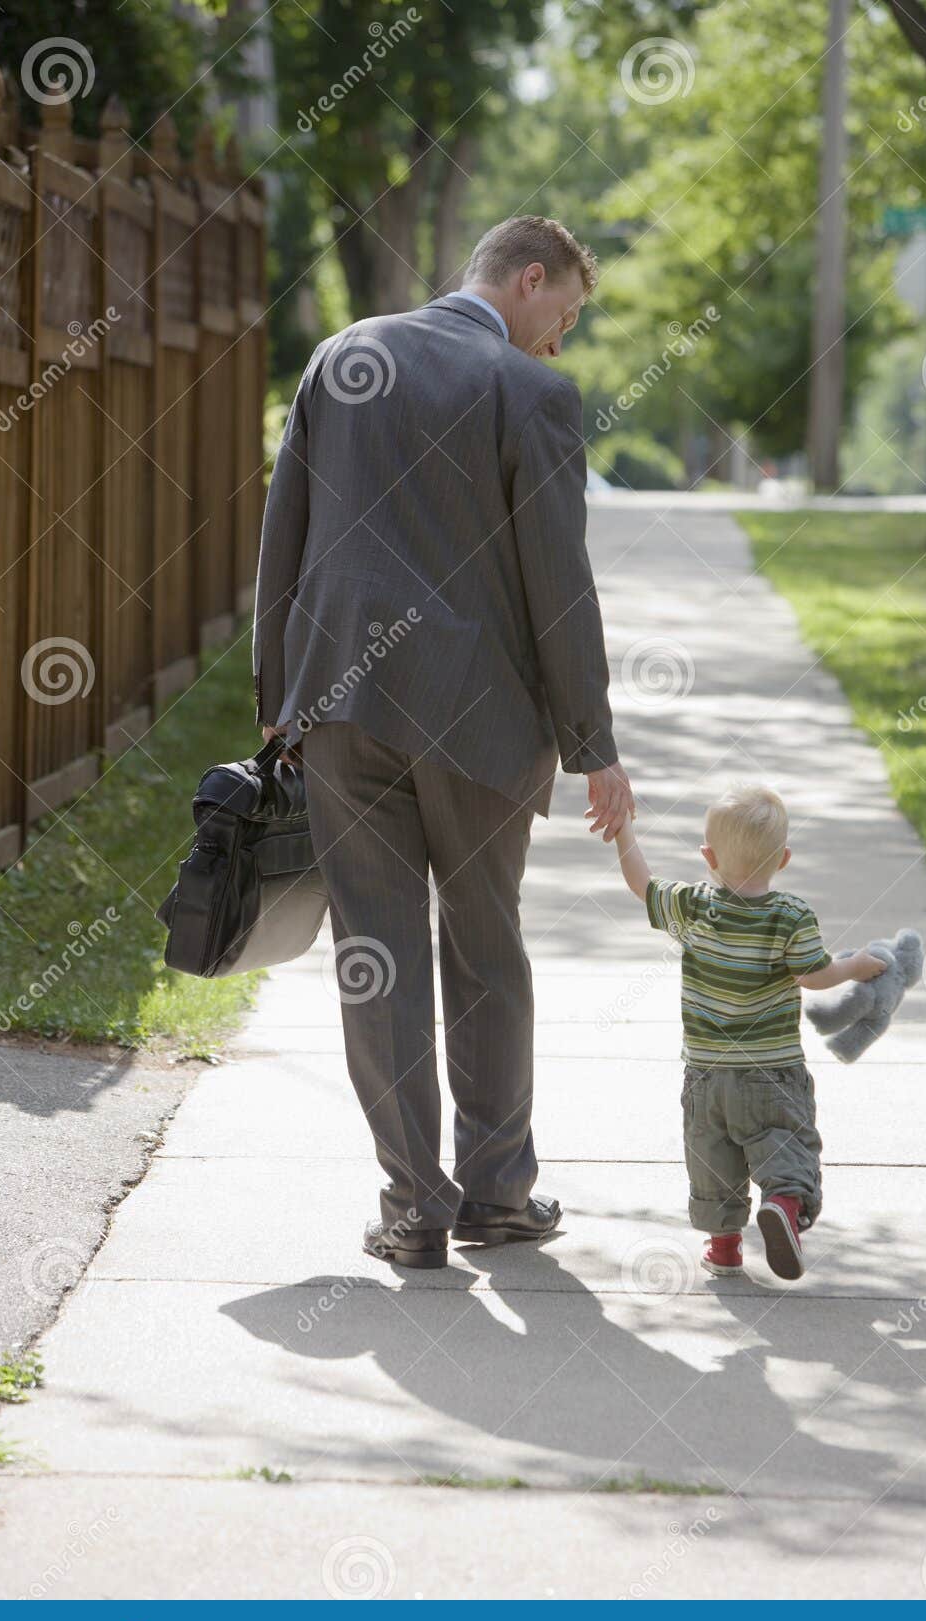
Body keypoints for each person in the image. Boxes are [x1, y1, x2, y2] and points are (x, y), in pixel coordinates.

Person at [252, 215, 633, 1271]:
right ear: (526, 278)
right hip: (481, 719)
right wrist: (591, 743)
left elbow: (283, 531)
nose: (558, 339)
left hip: (340, 703)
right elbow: (559, 585)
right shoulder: (533, 393)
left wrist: (278, 695)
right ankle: (497, 1197)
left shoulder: (345, 356)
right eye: (562, 316)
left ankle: (415, 1206)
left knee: (372, 954)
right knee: (483, 946)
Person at [611, 784, 886, 1280]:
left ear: (708, 857)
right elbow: (813, 976)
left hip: (707, 1075)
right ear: (783, 859)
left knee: (713, 1160)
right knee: (784, 1142)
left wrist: (624, 828)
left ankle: (724, 1248)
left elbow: (640, 882)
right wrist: (853, 967)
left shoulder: (693, 906)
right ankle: (783, 1204)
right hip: (771, 1072)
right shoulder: (790, 915)